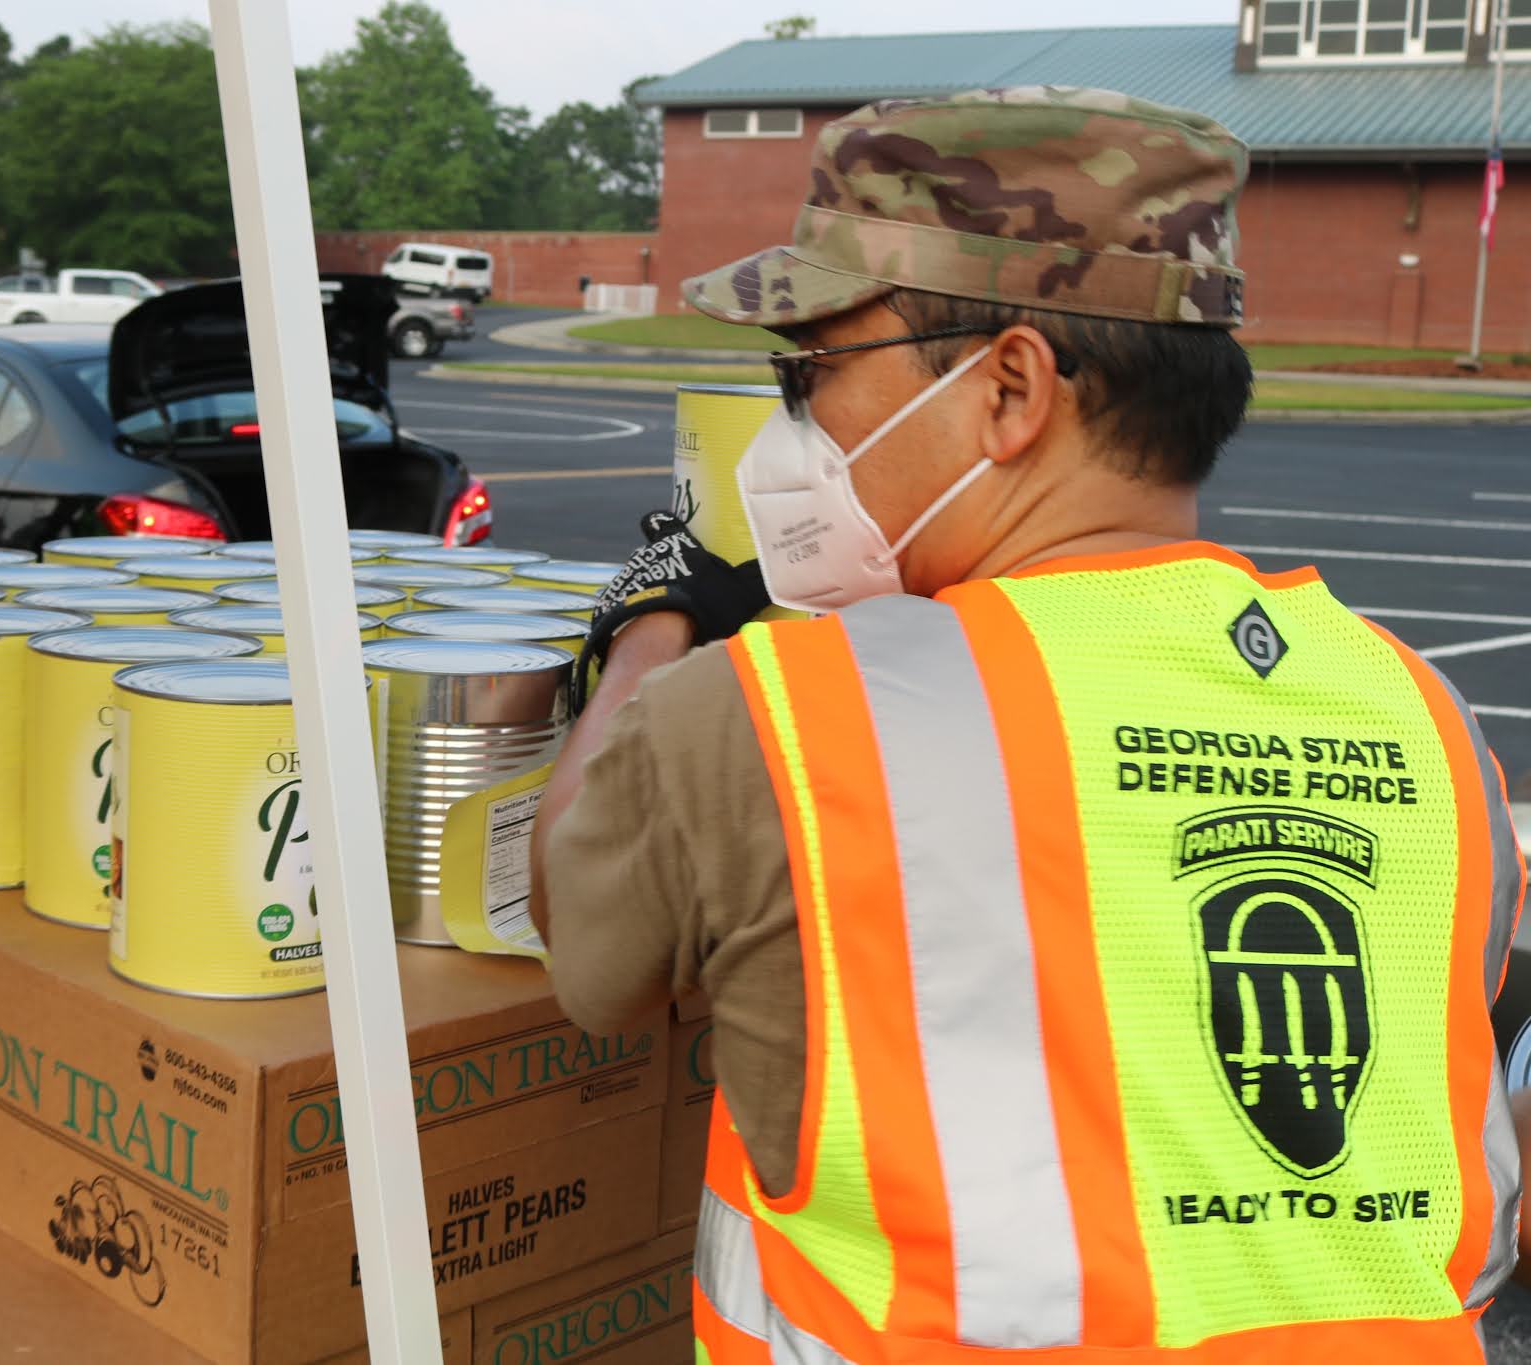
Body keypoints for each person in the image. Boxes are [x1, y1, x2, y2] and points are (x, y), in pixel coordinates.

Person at [529, 87, 1525, 1358]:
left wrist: (650, 625)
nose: (792, 431)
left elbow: (585, 947)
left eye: (809, 372)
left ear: (1008, 388)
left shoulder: (772, 718)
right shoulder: (1423, 710)